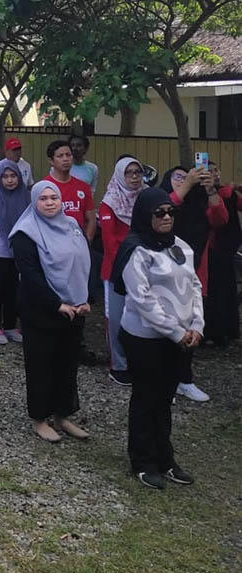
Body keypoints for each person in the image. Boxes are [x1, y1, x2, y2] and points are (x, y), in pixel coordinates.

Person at [112, 187, 202, 489]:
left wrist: (197, 326)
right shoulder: (136, 249)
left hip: (179, 338)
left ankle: (166, 459)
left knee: (165, 399)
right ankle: (142, 461)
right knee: (146, 398)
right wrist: (177, 332)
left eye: (170, 212)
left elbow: (194, 286)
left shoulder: (181, 246)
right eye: (159, 213)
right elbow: (142, 299)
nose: (166, 217)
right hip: (145, 337)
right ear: (144, 215)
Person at [10, 181, 91, 443]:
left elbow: (83, 263)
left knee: (67, 365)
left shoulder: (72, 226)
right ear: (34, 202)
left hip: (74, 308)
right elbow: (31, 275)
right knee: (41, 365)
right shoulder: (26, 233)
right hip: (42, 310)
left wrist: (84, 299)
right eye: (43, 199)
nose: (49, 202)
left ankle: (63, 414)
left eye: (53, 197)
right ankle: (39, 418)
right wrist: (56, 304)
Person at [160, 165, 227, 402]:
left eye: (185, 176)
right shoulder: (164, 207)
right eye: (177, 177)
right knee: (166, 325)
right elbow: (167, 205)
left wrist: (210, 189)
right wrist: (187, 184)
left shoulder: (200, 203)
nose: (182, 180)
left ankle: (184, 380)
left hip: (198, 271)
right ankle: (164, 381)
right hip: (166, 274)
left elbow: (221, 219)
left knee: (191, 325)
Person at [44, 139, 97, 365]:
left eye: (68, 155)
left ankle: (77, 345)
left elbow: (90, 219)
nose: (66, 159)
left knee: (79, 296)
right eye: (61, 156)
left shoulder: (82, 187)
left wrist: (84, 244)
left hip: (78, 253)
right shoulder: (45, 188)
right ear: (51, 161)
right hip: (53, 254)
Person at [99, 157, 147, 386]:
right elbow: (111, 242)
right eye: (129, 173)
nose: (135, 176)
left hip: (146, 269)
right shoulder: (110, 202)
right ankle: (118, 365)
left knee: (142, 316)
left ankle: (138, 360)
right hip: (116, 270)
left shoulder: (146, 198)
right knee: (116, 318)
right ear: (120, 175)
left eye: (138, 171)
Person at [0, 160, 30, 345]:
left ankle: (10, 325)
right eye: (5, 176)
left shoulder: (26, 197)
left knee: (13, 291)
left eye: (13, 176)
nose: (9, 180)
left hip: (16, 252)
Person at [204, 162, 242, 344]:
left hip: (228, 248)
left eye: (216, 170)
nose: (214, 174)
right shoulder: (203, 194)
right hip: (211, 248)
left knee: (228, 290)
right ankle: (214, 331)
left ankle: (229, 329)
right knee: (214, 291)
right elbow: (217, 220)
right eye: (209, 171)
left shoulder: (230, 192)